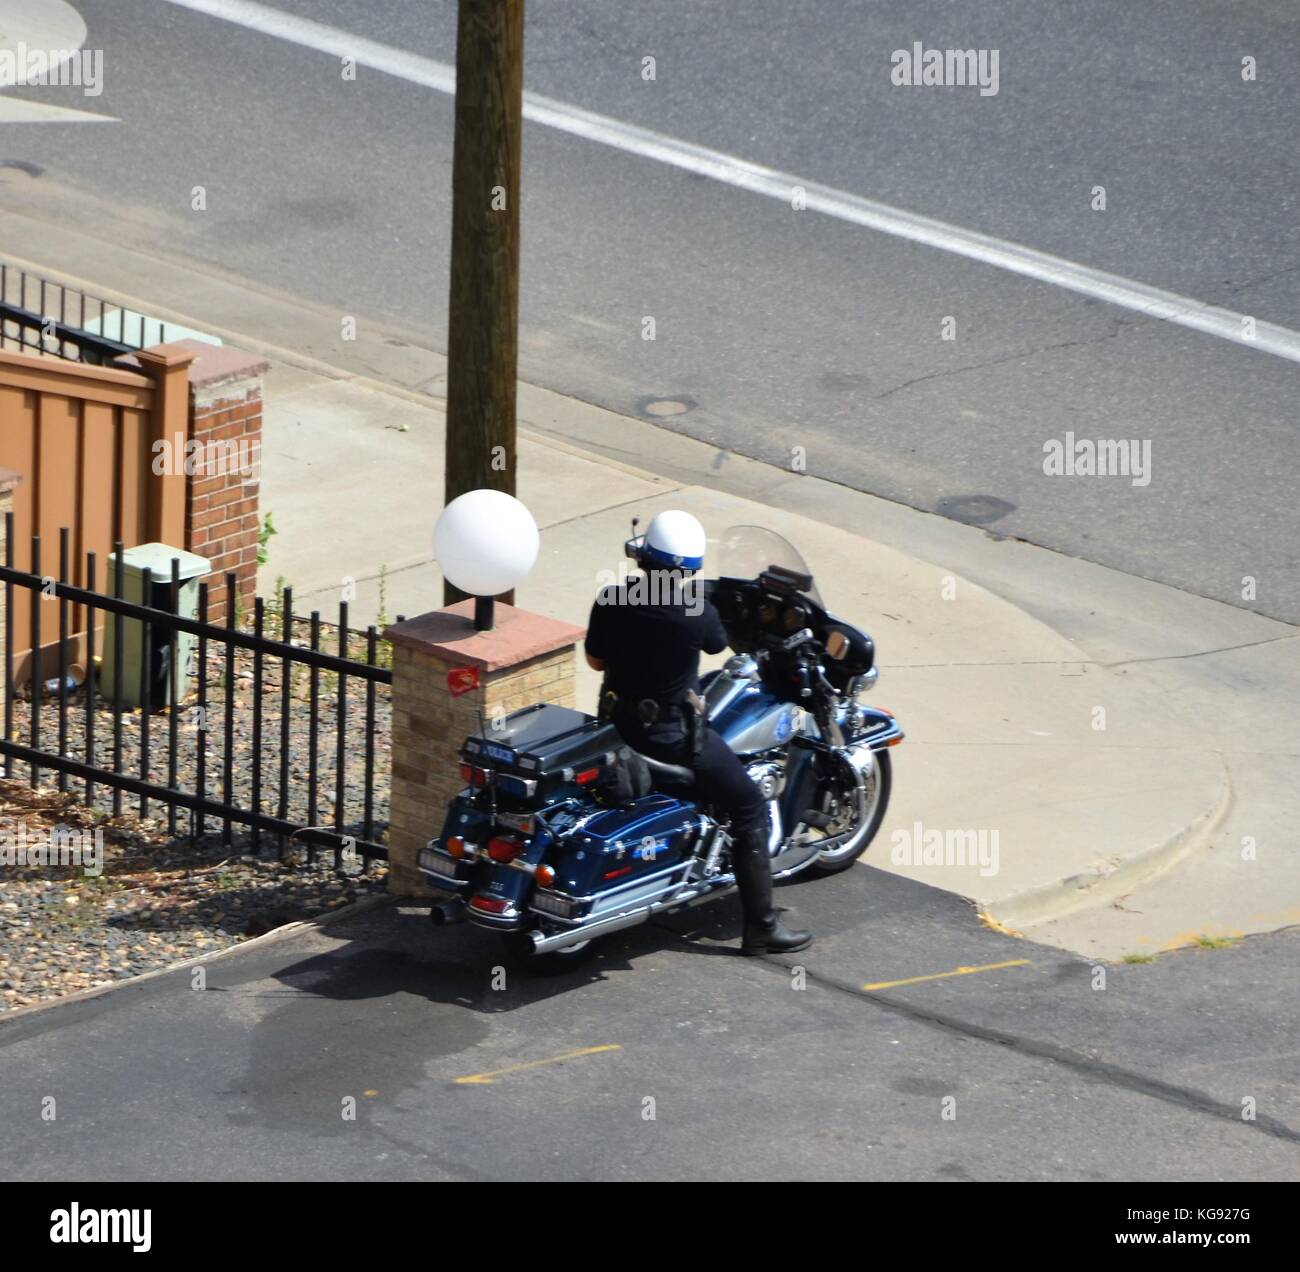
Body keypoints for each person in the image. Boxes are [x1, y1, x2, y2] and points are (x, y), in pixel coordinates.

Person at [584, 510, 812, 955]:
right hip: (673, 739)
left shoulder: (610, 598)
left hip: (616, 728)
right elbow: (718, 645)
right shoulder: (696, 611)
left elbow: (595, 661)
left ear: (644, 555)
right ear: (690, 567)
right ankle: (761, 928)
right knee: (748, 807)